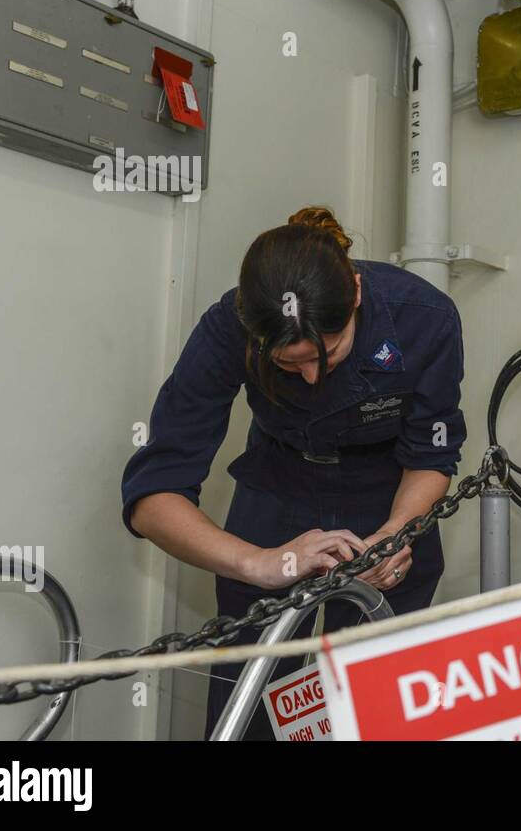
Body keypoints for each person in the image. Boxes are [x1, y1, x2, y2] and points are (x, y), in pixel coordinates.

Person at [121, 206, 467, 739]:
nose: (310, 378)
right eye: (287, 365)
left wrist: (397, 535)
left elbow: (430, 454)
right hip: (277, 488)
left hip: (390, 495)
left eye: (326, 355)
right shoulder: (226, 328)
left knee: (378, 702)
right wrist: (260, 565)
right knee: (250, 701)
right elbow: (152, 496)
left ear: (354, 294)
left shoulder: (424, 317)